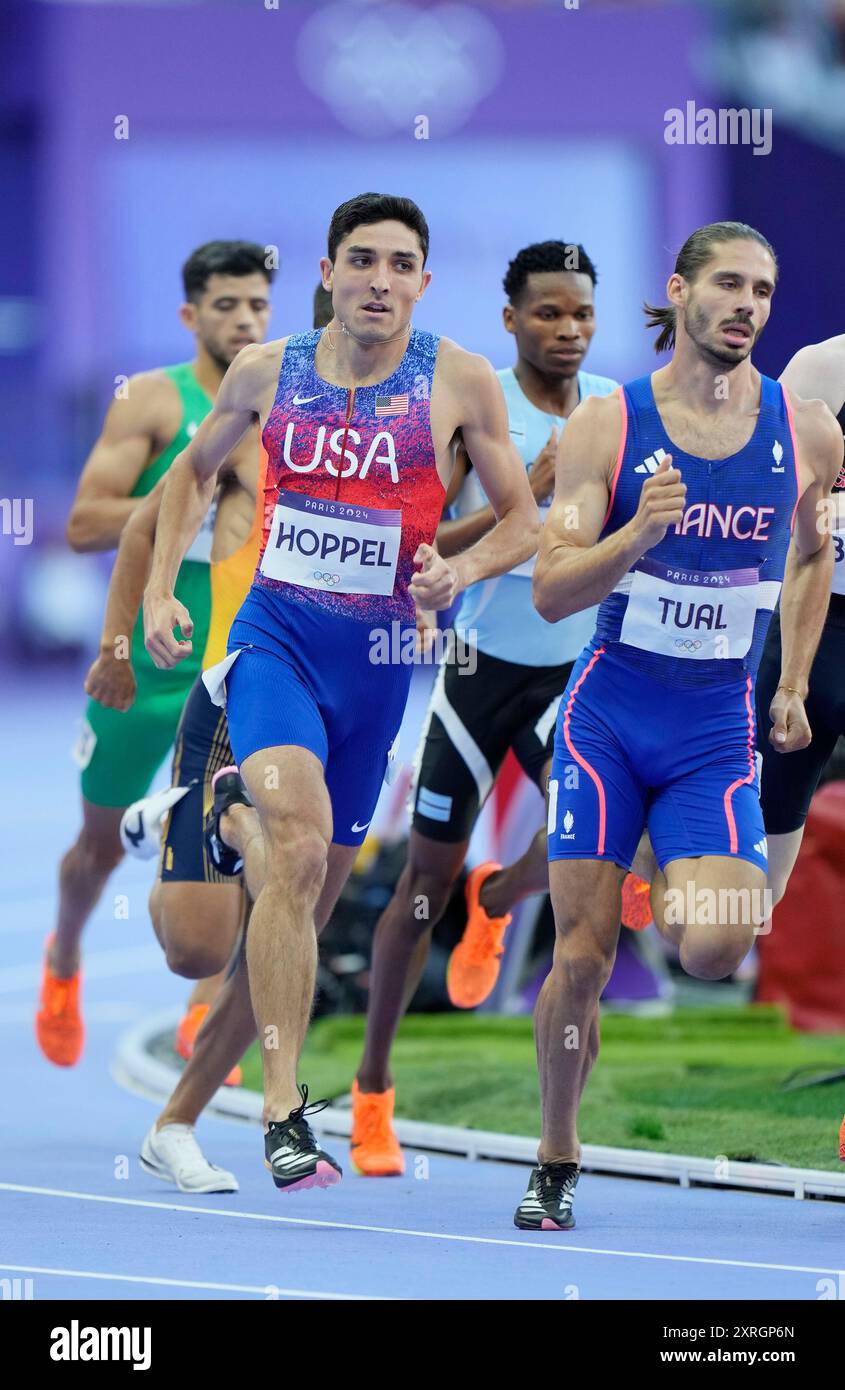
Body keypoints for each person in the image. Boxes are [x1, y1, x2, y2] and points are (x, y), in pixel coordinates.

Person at [143, 191, 540, 1194]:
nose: (378, 280)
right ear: (324, 272)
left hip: (372, 678)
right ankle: (282, 1112)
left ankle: (176, 1116)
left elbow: (524, 522)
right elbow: (187, 480)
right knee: (295, 854)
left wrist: (458, 569)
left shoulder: (457, 381)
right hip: (275, 640)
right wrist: (154, 594)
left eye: (399, 264)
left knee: (297, 901)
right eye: (359, 260)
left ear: (422, 281)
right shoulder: (264, 371)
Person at [522, 221, 842, 1231]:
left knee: (717, 946)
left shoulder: (808, 428)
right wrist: (635, 532)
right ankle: (557, 1154)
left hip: (715, 722)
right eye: (726, 285)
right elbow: (548, 593)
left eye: (761, 289)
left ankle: (654, 856)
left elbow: (808, 555)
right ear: (678, 291)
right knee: (577, 958)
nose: (745, 304)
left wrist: (788, 679)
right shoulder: (605, 426)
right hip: (607, 716)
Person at [349, 239, 618, 1176]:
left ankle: (498, 898)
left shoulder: (618, 412)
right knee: (419, 888)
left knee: (600, 865)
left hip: (574, 676)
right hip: (475, 670)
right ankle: (372, 1093)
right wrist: (526, 500)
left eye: (582, 312)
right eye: (547, 312)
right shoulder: (476, 406)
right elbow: (420, 546)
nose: (568, 329)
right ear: (511, 320)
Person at [36, 242, 274, 1068]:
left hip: (237, 649)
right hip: (144, 654)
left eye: (256, 306)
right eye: (225, 306)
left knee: (234, 836)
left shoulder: (283, 405)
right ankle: (65, 955)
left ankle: (203, 1006)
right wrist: (189, 491)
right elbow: (80, 525)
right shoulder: (150, 401)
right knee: (99, 845)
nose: (243, 320)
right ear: (190, 315)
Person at [752, 334, 845, 1161]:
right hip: (809, 637)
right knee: (747, 909)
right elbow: (774, 518)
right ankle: (649, 862)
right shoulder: (821, 372)